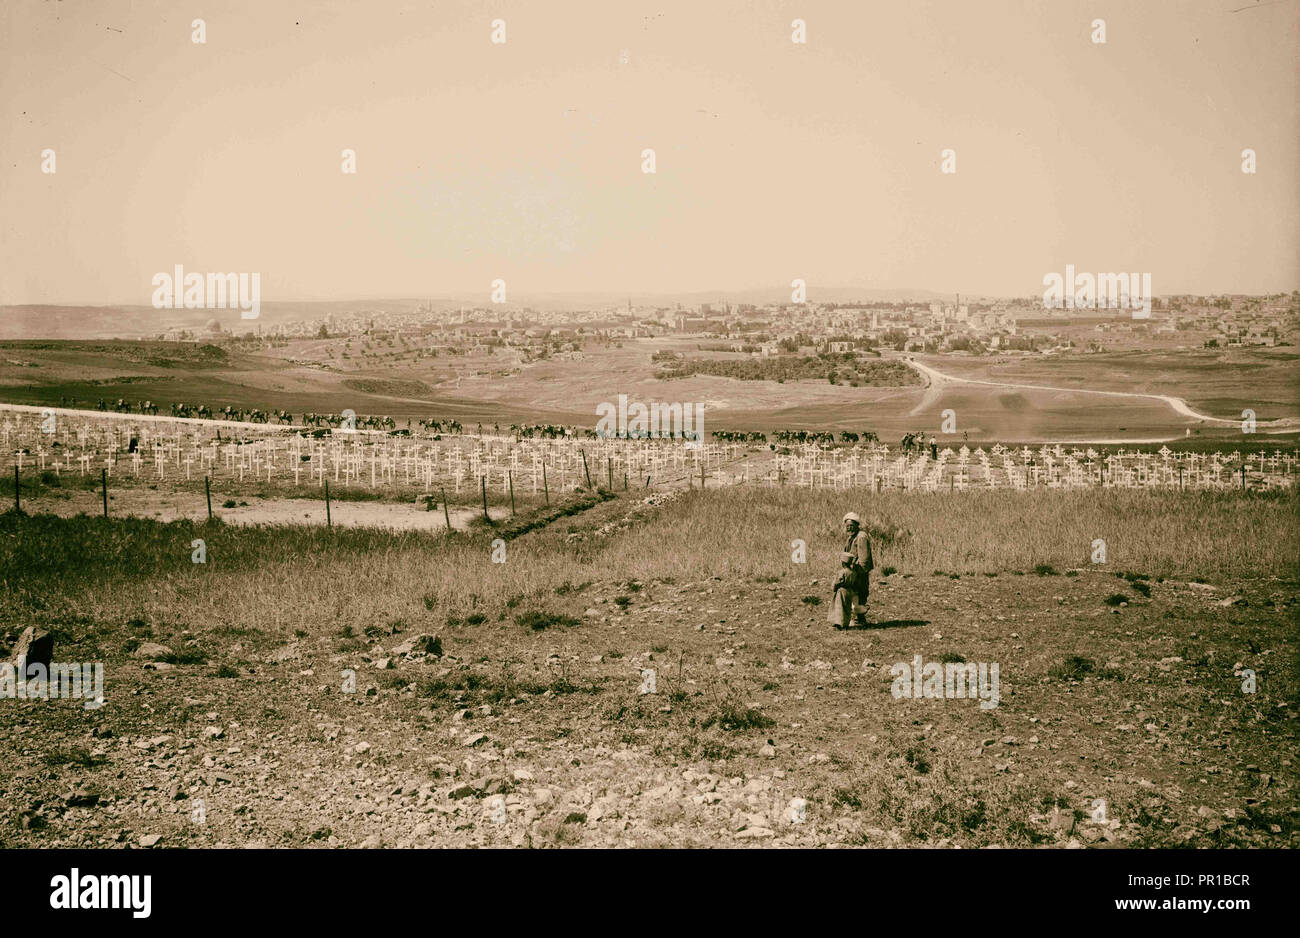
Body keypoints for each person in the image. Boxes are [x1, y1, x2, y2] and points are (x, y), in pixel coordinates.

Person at [828, 512, 873, 629]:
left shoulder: (861, 537)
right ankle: (854, 619)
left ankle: (850, 620)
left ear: (857, 525)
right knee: (850, 596)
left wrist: (851, 572)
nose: (849, 528)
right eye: (847, 526)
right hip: (853, 574)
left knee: (848, 594)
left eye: (851, 525)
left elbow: (864, 562)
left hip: (859, 576)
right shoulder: (851, 538)